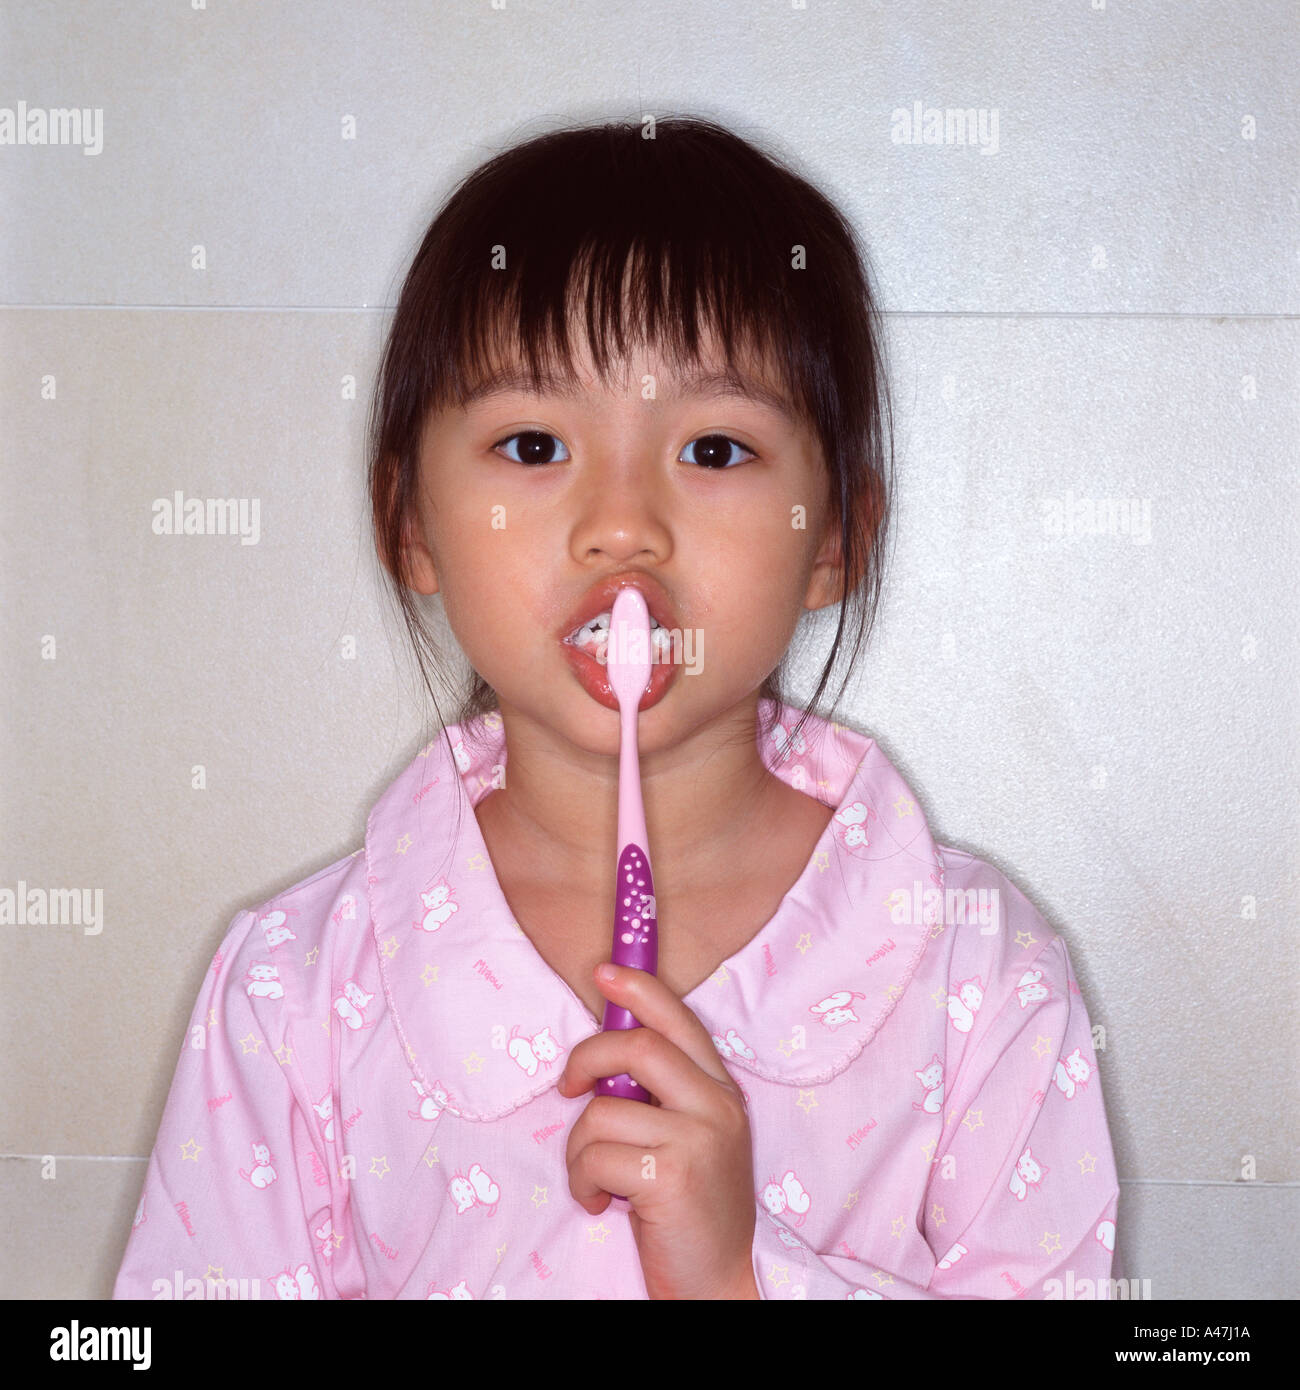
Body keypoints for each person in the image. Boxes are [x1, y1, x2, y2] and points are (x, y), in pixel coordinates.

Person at [113, 115, 1119, 1300]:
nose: (623, 522)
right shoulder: (296, 991)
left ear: (836, 536)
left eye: (716, 448)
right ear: (409, 525)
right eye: (534, 442)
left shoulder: (979, 971)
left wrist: (741, 1276)